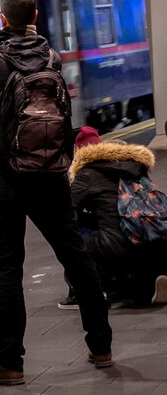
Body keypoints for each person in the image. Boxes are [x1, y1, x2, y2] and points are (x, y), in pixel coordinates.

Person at [0, 0, 114, 385]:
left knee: (9, 269)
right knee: (75, 257)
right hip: (51, 174)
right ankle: (102, 345)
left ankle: (10, 362)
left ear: (2, 20)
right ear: (35, 17)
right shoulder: (52, 57)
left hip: (5, 180)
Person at [69, 127, 167, 305]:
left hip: (120, 243)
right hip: (153, 234)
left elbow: (66, 209)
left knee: (75, 232)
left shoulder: (87, 173)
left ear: (79, 151)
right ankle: (149, 282)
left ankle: (95, 288)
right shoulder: (134, 164)